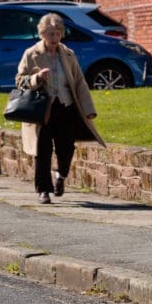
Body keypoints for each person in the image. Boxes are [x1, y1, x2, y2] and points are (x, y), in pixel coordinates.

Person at [15, 13, 103, 204]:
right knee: (42, 150)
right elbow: (20, 81)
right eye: (50, 34)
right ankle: (43, 190)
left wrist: (89, 109)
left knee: (66, 148)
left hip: (66, 108)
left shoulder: (68, 54)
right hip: (42, 110)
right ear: (42, 34)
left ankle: (60, 175)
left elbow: (79, 82)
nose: (54, 38)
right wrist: (37, 78)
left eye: (57, 33)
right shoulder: (31, 54)